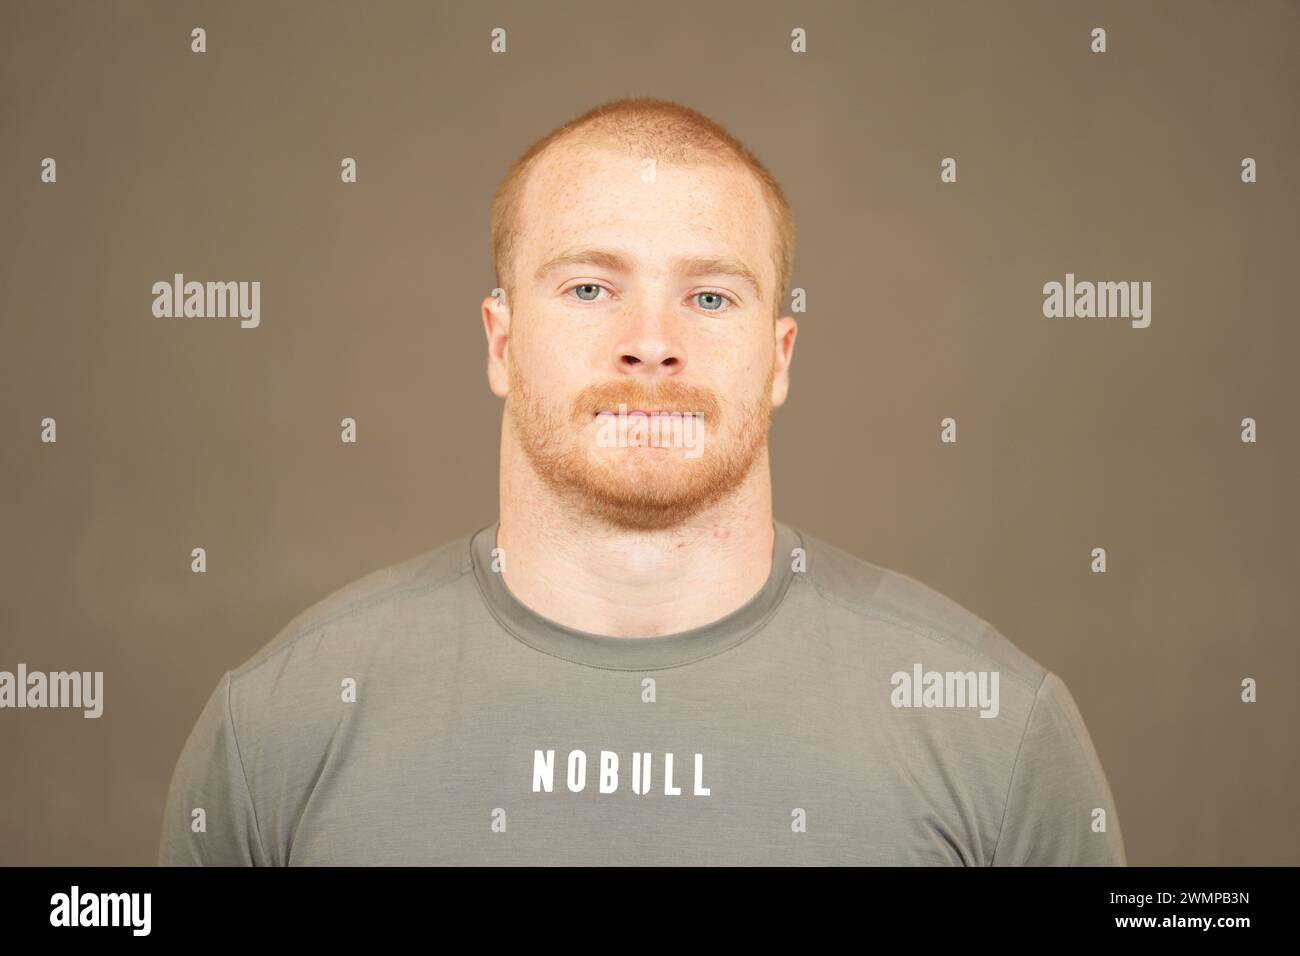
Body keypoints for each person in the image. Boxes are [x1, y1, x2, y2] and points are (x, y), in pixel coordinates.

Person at [158, 96, 1126, 866]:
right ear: (499, 340)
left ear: (780, 354)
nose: (652, 344)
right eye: (590, 287)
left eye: (709, 295)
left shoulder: (995, 731)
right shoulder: (280, 728)